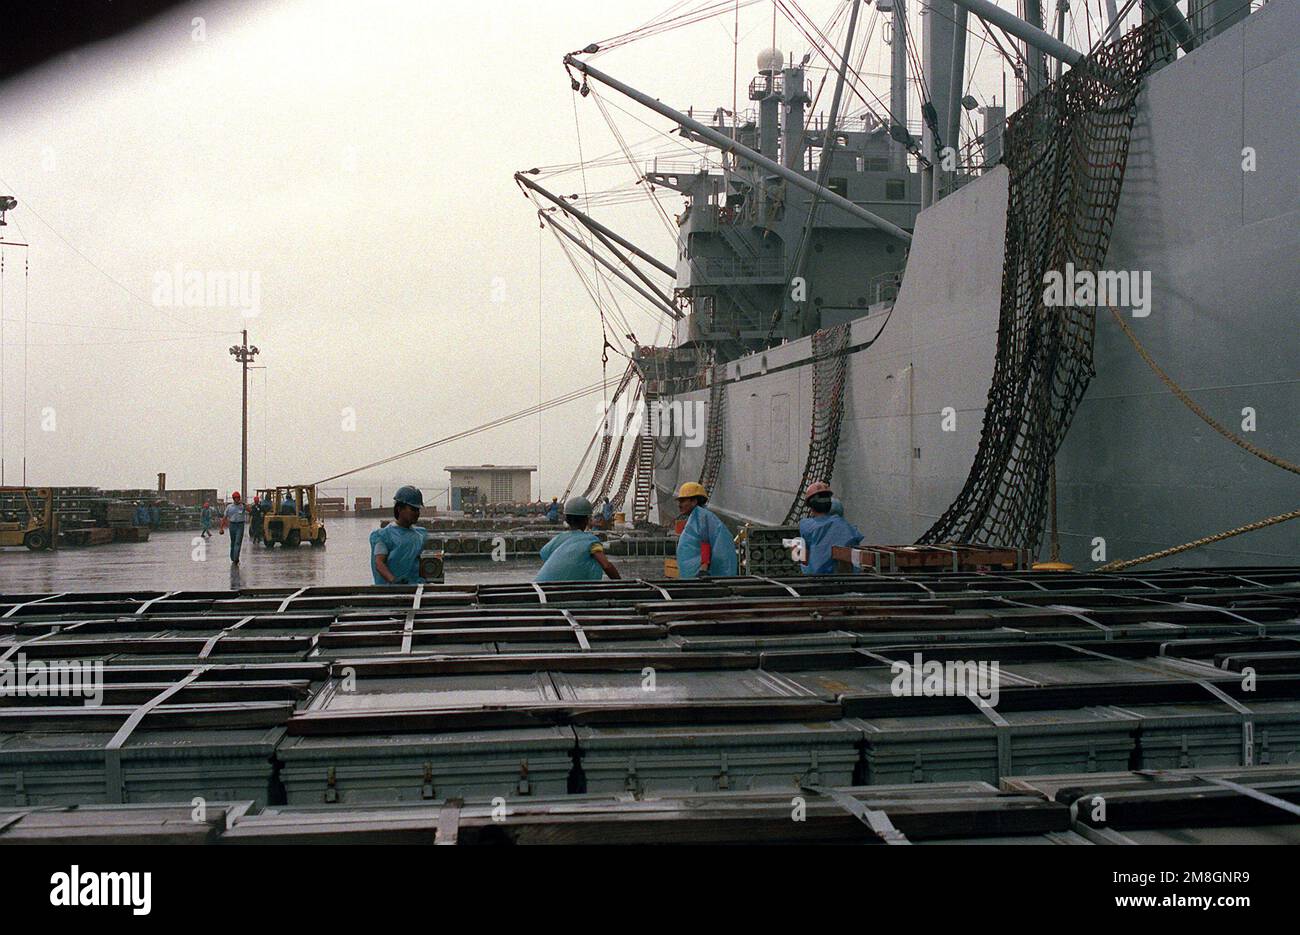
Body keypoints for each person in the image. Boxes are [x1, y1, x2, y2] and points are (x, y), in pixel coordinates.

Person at [535, 496, 620, 582]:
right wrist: (620, 584)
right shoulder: (591, 541)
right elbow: (606, 566)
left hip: (539, 587)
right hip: (566, 592)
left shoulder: (559, 538)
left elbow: (544, 554)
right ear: (587, 520)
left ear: (567, 520)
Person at [797, 482, 864, 575]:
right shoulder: (849, 528)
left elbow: (804, 560)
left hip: (817, 581)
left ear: (810, 506)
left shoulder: (806, 526)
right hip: (848, 581)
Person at [674, 482, 737, 579]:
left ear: (694, 501)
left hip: (698, 574)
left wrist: (703, 568)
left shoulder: (701, 517)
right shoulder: (697, 516)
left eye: (682, 501)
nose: (679, 505)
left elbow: (705, 543)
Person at [370, 485, 427, 585]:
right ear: (399, 509)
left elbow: (418, 561)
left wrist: (423, 581)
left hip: (414, 589)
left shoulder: (420, 535)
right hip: (390, 592)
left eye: (418, 510)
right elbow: (379, 563)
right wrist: (394, 581)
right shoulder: (384, 535)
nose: (417, 513)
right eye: (413, 509)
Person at [223, 491, 248, 564]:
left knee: (238, 542)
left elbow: (250, 511)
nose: (237, 499)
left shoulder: (242, 506)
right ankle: (233, 557)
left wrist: (245, 505)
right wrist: (221, 528)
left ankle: (236, 558)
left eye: (238, 498)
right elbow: (224, 517)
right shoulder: (229, 507)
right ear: (233, 499)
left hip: (240, 525)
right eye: (236, 498)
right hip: (232, 525)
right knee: (233, 542)